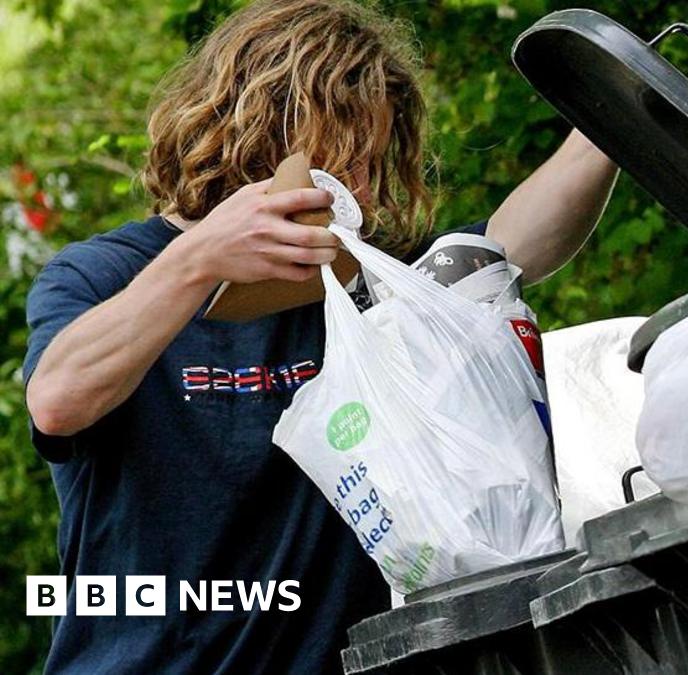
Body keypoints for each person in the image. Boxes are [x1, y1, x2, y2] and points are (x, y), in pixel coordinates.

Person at [21, 1, 618, 672]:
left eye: (370, 157)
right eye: (338, 149)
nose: (357, 184)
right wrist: (200, 260)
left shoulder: (372, 283)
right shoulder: (106, 273)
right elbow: (57, 399)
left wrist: (612, 122)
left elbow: (501, 254)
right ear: (251, 126)